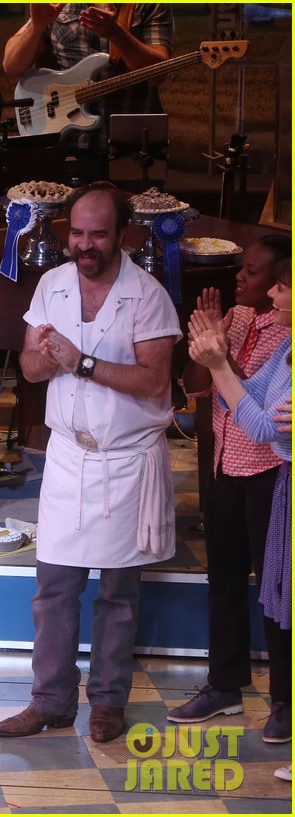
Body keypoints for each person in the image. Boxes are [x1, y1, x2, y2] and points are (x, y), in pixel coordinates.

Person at [0, 183, 181, 743]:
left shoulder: (147, 296)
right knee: (53, 587)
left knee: (118, 595)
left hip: (125, 463)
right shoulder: (51, 285)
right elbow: (27, 368)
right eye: (77, 232)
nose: (85, 243)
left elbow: (153, 383)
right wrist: (47, 359)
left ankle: (106, 702)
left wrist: (83, 362)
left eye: (98, 233)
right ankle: (50, 701)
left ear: (123, 234)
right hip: (69, 456)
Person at [168, 237, 290, 741]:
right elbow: (196, 387)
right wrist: (206, 347)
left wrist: (222, 361)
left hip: (269, 474)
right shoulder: (237, 318)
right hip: (224, 465)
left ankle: (285, 699)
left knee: (276, 593)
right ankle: (225, 686)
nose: (242, 278)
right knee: (223, 579)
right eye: (244, 269)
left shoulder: (283, 337)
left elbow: (261, 416)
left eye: (259, 275)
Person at [2, 3, 174, 179]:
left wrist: (116, 33)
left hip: (131, 146)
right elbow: (12, 65)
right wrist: (37, 27)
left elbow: (158, 74)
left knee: (134, 206)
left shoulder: (149, 5)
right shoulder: (61, 4)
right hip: (67, 145)